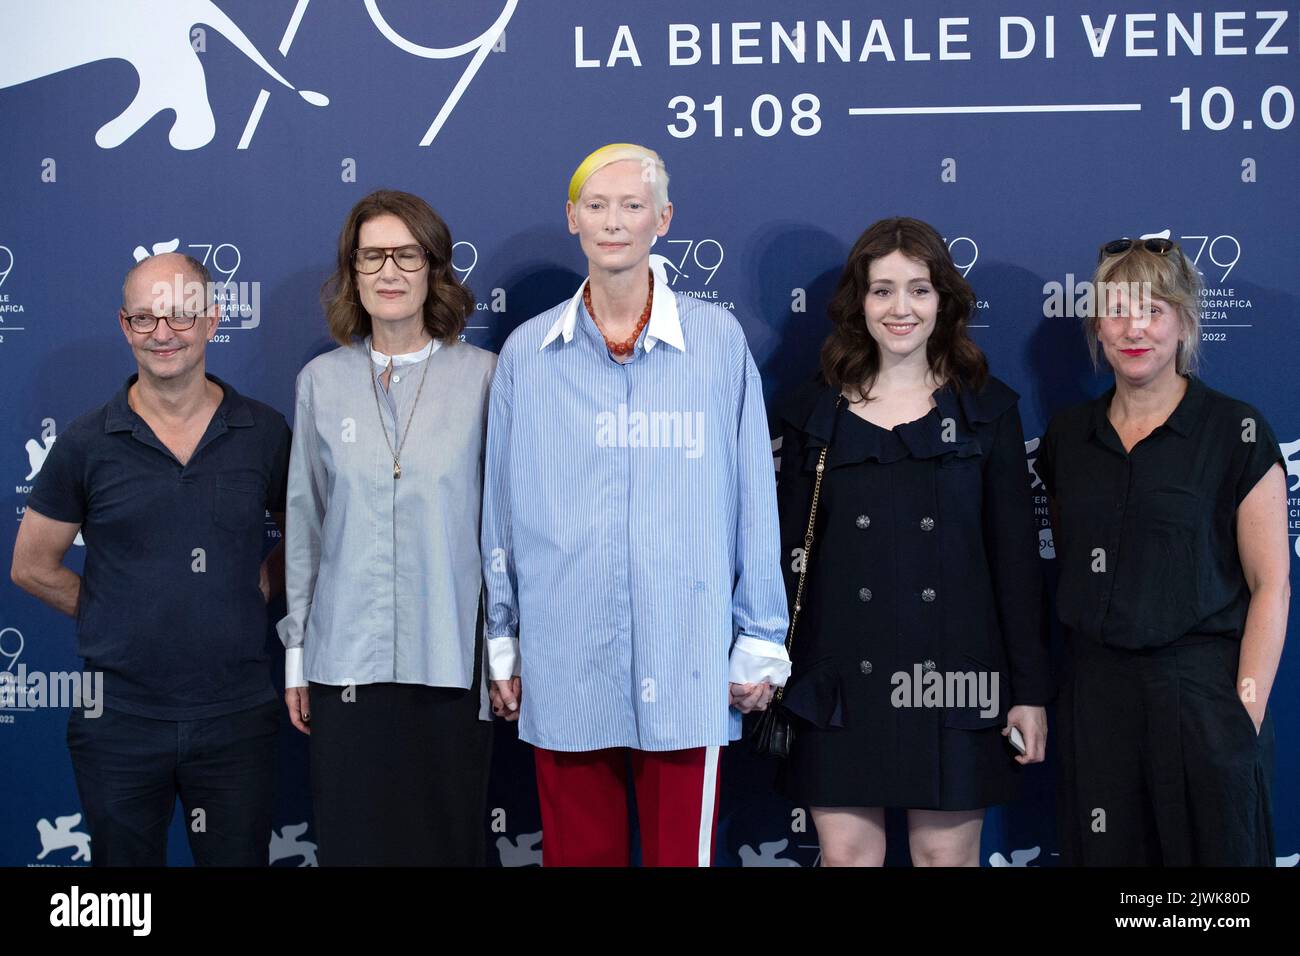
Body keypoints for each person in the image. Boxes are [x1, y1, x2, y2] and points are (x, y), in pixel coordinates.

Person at [480, 143, 790, 867]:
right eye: (597, 205)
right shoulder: (529, 355)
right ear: (572, 219)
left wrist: (761, 634)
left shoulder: (716, 343)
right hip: (564, 656)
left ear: (663, 219)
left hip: (689, 655)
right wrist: (504, 637)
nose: (613, 222)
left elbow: (753, 496)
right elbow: (501, 507)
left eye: (631, 206)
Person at [773, 217, 1051, 867]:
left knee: (944, 860)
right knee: (846, 858)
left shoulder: (987, 411)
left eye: (919, 290)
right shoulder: (810, 414)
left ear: (944, 302)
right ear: (857, 303)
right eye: (883, 291)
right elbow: (784, 559)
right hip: (836, 673)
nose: (901, 309)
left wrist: (1030, 692)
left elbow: (1015, 565)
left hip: (956, 679)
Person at [11, 252, 290, 866]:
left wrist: (254, 591)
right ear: (124, 326)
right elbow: (31, 565)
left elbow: (305, 542)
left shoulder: (266, 433)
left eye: (179, 316)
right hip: (117, 720)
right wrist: (118, 612)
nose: (162, 334)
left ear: (213, 320)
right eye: (144, 319)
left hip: (237, 716)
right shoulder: (85, 442)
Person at [1038, 237, 1288, 866]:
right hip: (1097, 701)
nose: (1135, 328)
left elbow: (1271, 587)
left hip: (1204, 698)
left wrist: (1245, 714)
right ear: (1096, 324)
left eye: (1153, 309)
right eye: (1118, 310)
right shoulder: (1068, 438)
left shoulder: (1237, 431)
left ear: (1184, 321)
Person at [278, 189, 495, 866]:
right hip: (345, 663)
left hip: (452, 657)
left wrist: (507, 650)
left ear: (434, 267)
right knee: (355, 843)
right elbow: (305, 524)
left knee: (449, 843)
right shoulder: (321, 381)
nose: (390, 271)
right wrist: (297, 655)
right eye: (372, 256)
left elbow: (505, 532)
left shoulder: (487, 378)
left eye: (407, 253)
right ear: (352, 270)